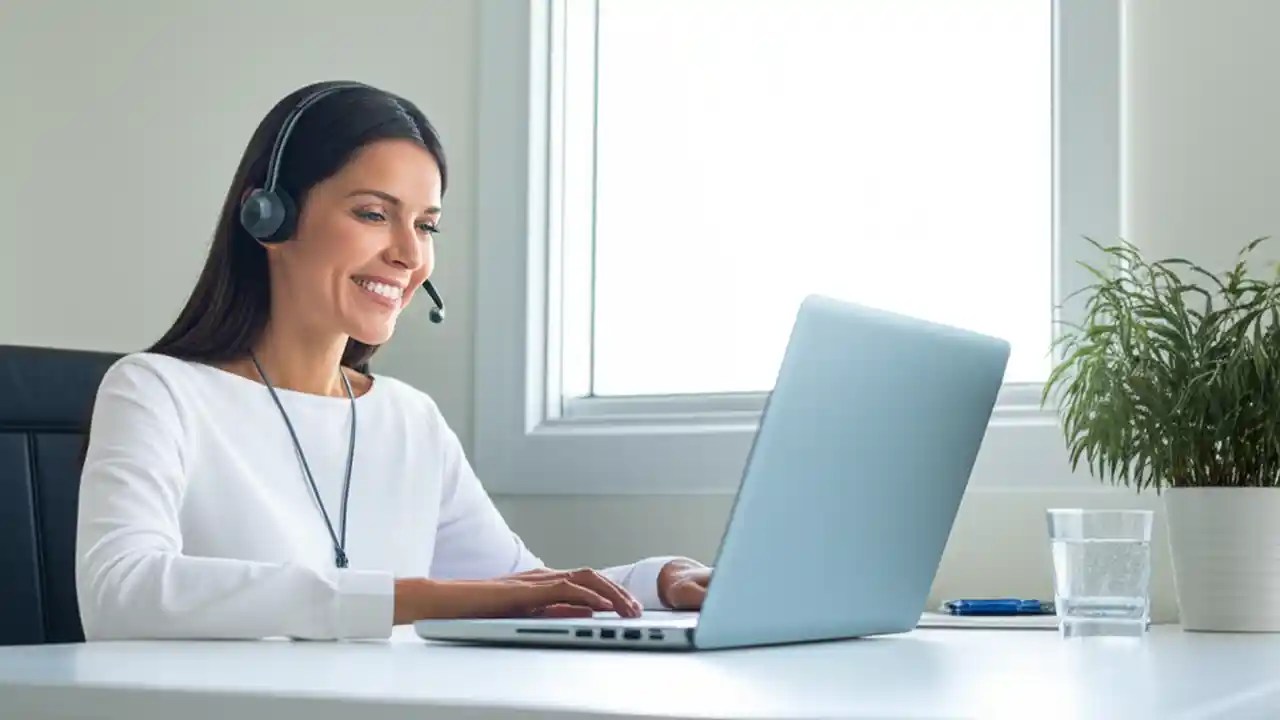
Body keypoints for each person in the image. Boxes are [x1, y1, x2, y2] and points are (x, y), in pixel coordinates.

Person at [75, 81, 711, 641]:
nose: (409, 254)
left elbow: (519, 584)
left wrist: (660, 580)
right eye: (374, 214)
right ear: (269, 218)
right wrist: (414, 599)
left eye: (427, 225)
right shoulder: (156, 390)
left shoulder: (409, 418)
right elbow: (121, 593)